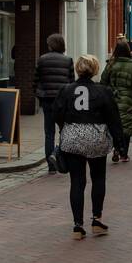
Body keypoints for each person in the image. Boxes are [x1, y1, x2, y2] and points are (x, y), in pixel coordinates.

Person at [52, 55, 126, 240]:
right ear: (95, 70)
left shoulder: (66, 90)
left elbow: (57, 113)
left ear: (77, 69)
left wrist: (65, 129)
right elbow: (113, 118)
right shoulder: (103, 91)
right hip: (96, 138)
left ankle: (77, 225)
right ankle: (96, 219)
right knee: (98, 177)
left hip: (73, 137)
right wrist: (120, 143)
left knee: (77, 181)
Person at [34, 34, 75, 174]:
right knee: (64, 130)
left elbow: (36, 80)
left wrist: (39, 95)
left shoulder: (42, 60)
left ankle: (51, 166)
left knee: (49, 132)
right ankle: (60, 156)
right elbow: (71, 82)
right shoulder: (68, 60)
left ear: (51, 45)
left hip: (47, 100)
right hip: (62, 101)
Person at [101, 40, 132, 162]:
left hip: (112, 99)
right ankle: (124, 153)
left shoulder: (110, 64)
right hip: (128, 100)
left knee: (115, 126)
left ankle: (116, 148)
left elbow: (103, 81)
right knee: (127, 127)